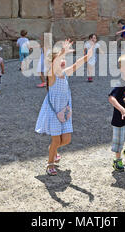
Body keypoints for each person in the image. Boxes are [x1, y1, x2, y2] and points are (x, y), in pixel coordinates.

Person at [35, 40, 94, 176]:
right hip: (53, 113)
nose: (62, 61)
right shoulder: (51, 75)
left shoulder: (65, 73)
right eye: (59, 59)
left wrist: (87, 56)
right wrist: (62, 52)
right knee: (56, 140)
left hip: (65, 113)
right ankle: (50, 163)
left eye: (64, 59)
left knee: (66, 140)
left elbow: (76, 64)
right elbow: (55, 64)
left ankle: (53, 149)